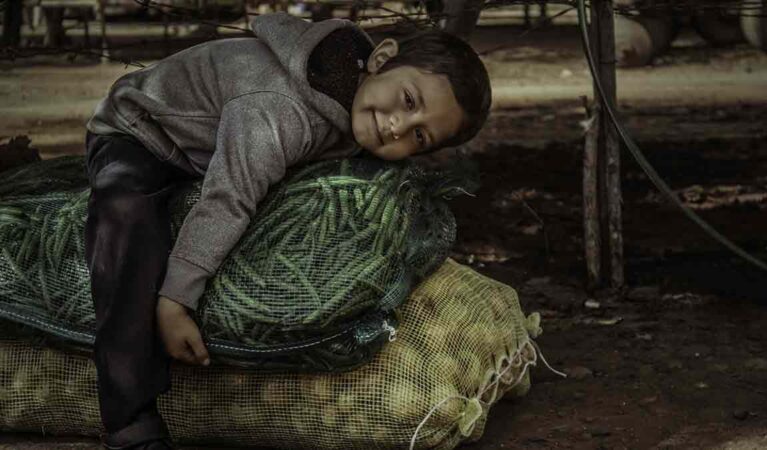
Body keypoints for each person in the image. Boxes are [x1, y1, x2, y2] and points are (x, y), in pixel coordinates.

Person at [84, 11, 491, 450]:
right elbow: (229, 198)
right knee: (127, 220)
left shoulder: (355, 93)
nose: (397, 127)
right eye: (409, 102)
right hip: (141, 132)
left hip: (208, 143)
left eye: (420, 137)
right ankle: (129, 418)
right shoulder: (280, 110)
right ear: (382, 58)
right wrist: (175, 300)